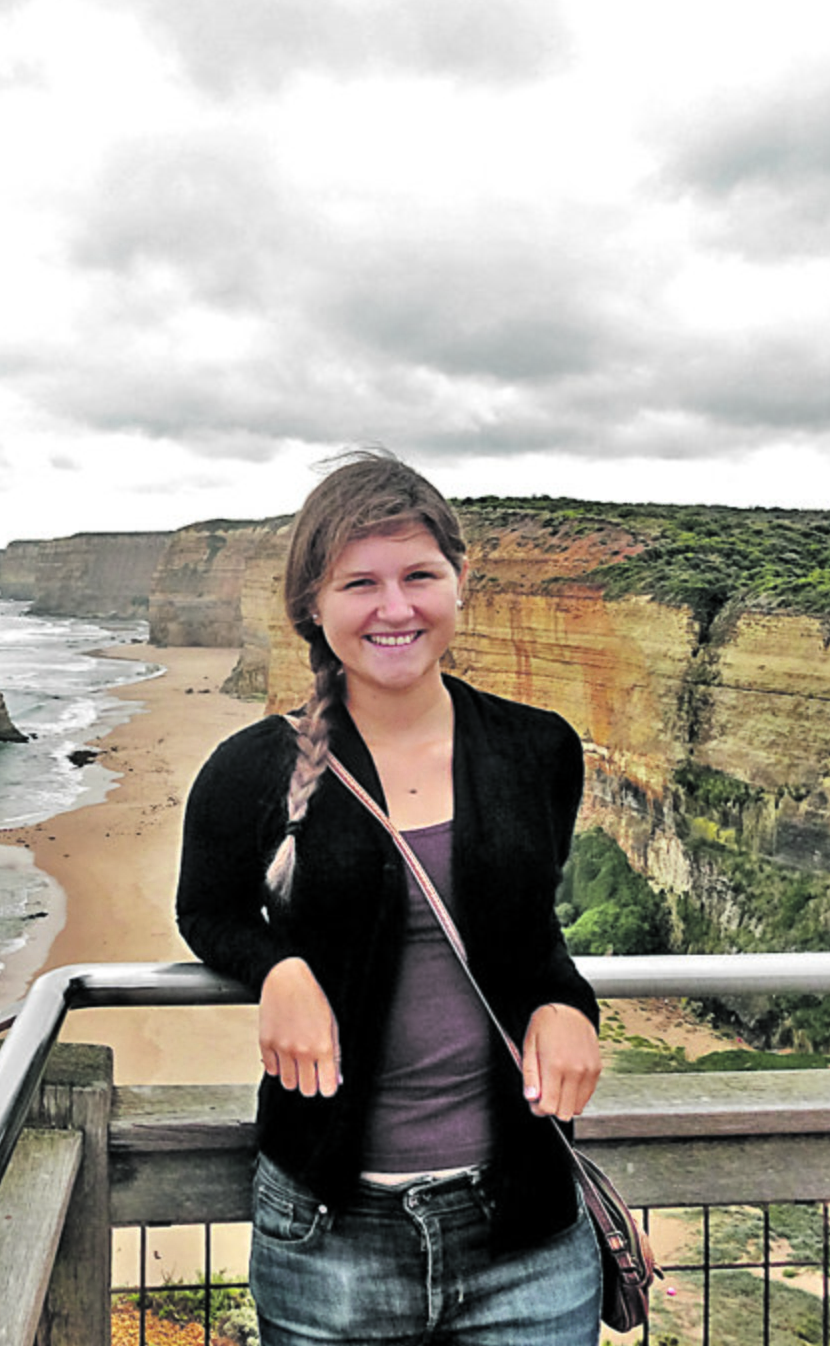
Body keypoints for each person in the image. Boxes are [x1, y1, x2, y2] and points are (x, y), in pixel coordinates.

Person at [176, 449, 604, 1345]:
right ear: (313, 604)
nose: (395, 607)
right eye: (359, 582)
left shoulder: (539, 750)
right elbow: (205, 912)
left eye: (419, 575)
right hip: (329, 1236)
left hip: (525, 1226)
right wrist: (277, 967)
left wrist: (569, 1003)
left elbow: (528, 933)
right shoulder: (250, 769)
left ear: (459, 584)